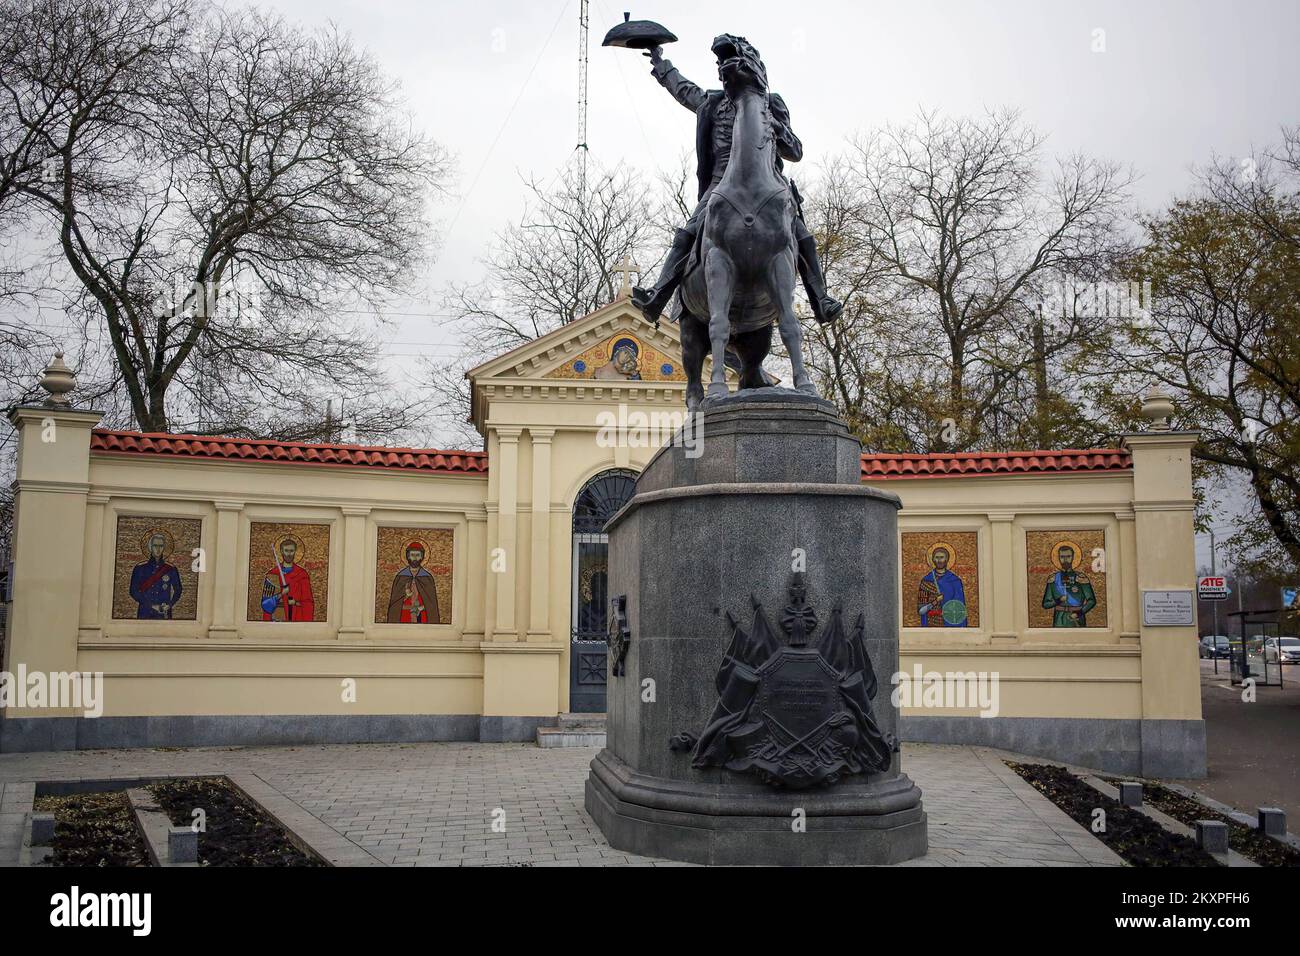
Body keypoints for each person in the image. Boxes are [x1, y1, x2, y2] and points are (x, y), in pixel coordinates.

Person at [630, 38, 844, 327]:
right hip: (721, 184)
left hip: (767, 185)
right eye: (720, 63)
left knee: (802, 235)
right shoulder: (712, 102)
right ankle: (659, 295)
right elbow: (682, 90)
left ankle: (820, 299)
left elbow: (795, 152)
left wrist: (774, 124)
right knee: (689, 232)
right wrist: (660, 63)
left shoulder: (772, 103)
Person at [386, 541, 441, 624]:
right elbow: (395, 604)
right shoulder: (400, 577)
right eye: (412, 555)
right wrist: (406, 596)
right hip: (404, 616)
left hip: (422, 616)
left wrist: (422, 607)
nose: (415, 558)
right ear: (408, 556)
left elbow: (431, 604)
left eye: (417, 555)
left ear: (422, 557)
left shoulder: (427, 578)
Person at [129, 532, 182, 619]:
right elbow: (133, 591)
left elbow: (178, 590)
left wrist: (169, 605)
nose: (158, 549)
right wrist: (151, 606)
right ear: (150, 547)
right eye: (155, 546)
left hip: (163, 612)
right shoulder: (140, 568)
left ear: (164, 548)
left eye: (160, 546)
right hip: (145, 612)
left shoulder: (171, 568)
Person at [1041, 544, 1096, 627]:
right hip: (1059, 619)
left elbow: (1091, 600)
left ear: (1073, 557)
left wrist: (1079, 613)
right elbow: (1045, 604)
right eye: (1062, 557)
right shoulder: (1053, 579)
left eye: (1068, 556)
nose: (1065, 559)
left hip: (1077, 619)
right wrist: (1058, 600)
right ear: (1058, 558)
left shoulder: (1080, 578)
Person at [261, 538, 314, 621]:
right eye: (286, 550)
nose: (289, 554)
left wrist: (295, 603)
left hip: (296, 617)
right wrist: (281, 594)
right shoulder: (273, 574)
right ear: (281, 552)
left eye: (291, 551)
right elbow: (265, 604)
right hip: (278, 619)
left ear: (295, 551)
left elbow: (308, 602)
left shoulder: (302, 574)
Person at [918, 546, 967, 627]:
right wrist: (935, 601)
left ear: (947, 559)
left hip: (950, 623)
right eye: (936, 557)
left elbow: (960, 608)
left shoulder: (955, 581)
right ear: (933, 559)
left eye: (941, 557)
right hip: (932, 622)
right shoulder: (926, 581)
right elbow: (921, 611)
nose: (939, 560)